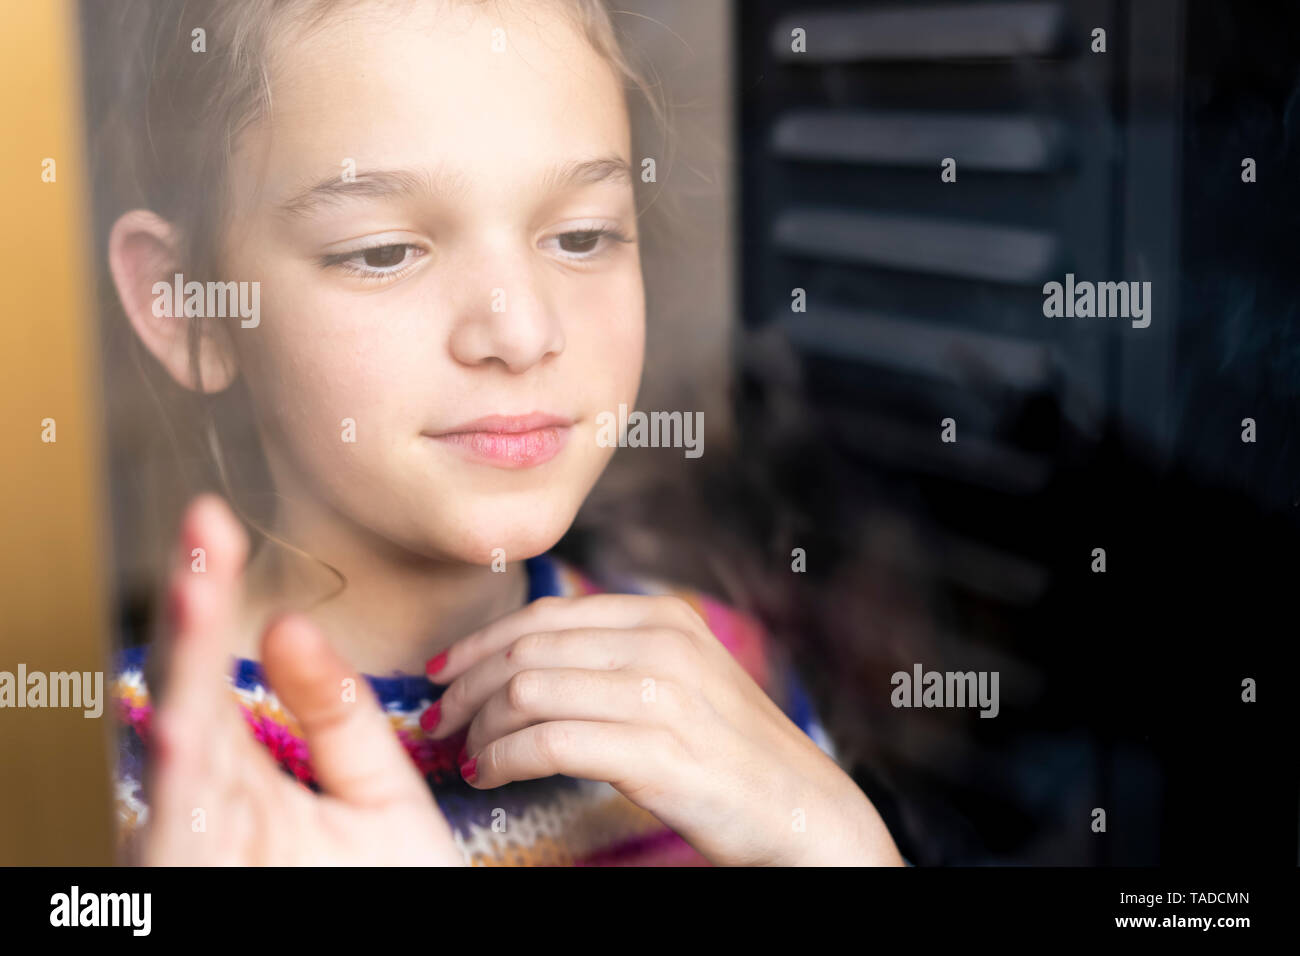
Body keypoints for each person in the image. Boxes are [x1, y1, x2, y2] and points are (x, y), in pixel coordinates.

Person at [102, 0, 905, 866]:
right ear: (191, 302)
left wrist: (840, 839)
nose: (520, 333)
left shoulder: (718, 676)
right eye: (381, 253)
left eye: (584, 235)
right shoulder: (105, 789)